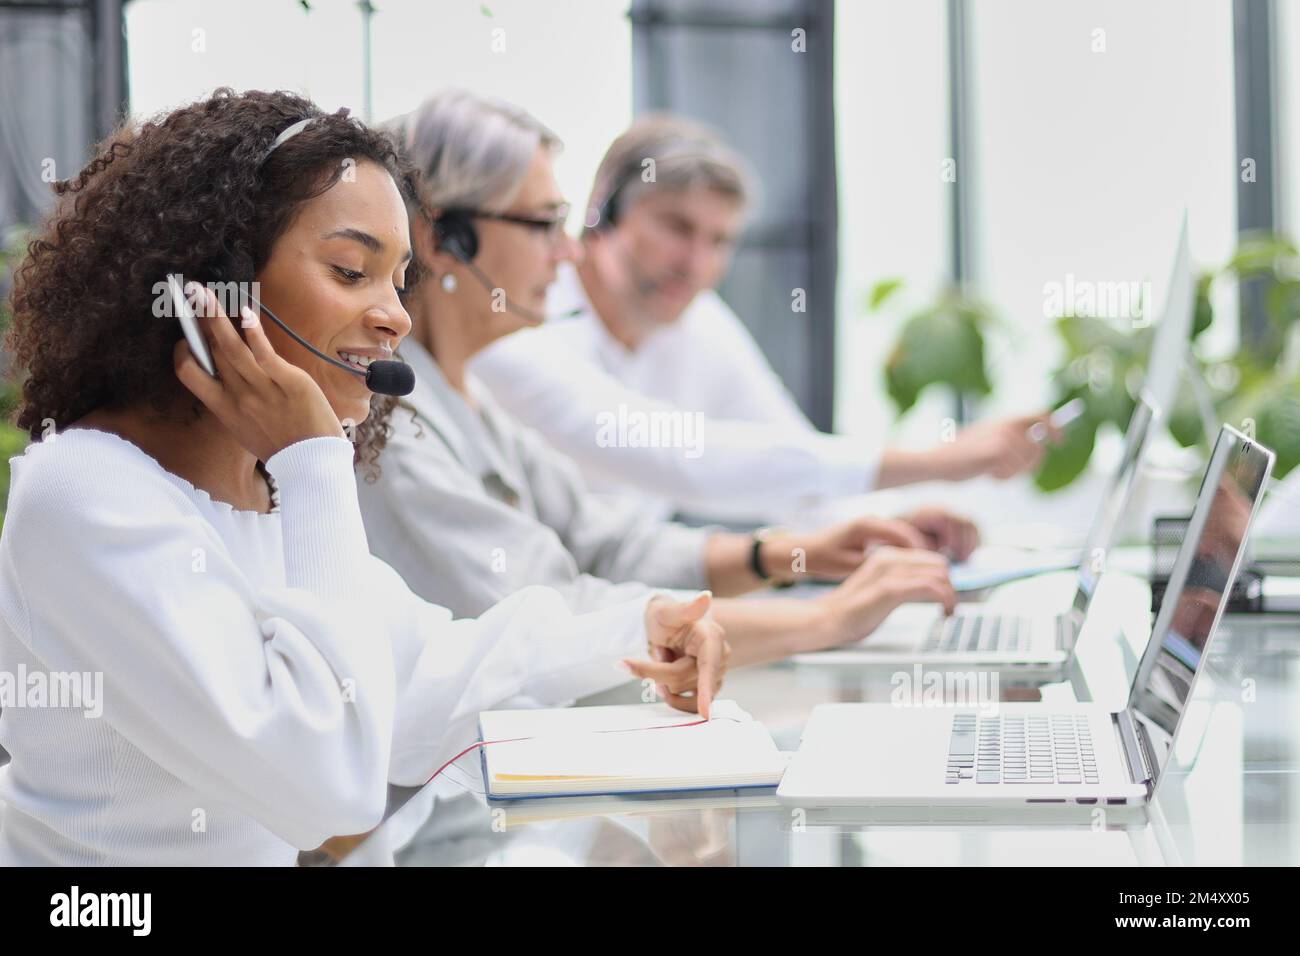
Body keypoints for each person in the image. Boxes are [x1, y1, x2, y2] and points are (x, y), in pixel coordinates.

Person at [0, 89, 724, 866]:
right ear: (214, 287)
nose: (396, 317)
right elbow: (327, 785)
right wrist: (312, 460)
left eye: (399, 278)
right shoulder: (87, 494)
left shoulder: (261, 495)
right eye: (351, 271)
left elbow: (423, 675)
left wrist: (642, 625)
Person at [358, 89, 960, 662]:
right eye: (543, 224)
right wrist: (824, 620)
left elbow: (612, 545)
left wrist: (783, 554)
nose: (567, 252)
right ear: (441, 239)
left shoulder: (470, 397)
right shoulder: (391, 426)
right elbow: (552, 616)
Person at [470, 113, 1058, 523]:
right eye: (677, 227)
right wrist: (941, 461)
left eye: (720, 240)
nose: (696, 263)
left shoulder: (698, 322)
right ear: (605, 214)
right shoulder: (520, 319)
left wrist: (891, 526)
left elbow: (783, 454)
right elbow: (687, 456)